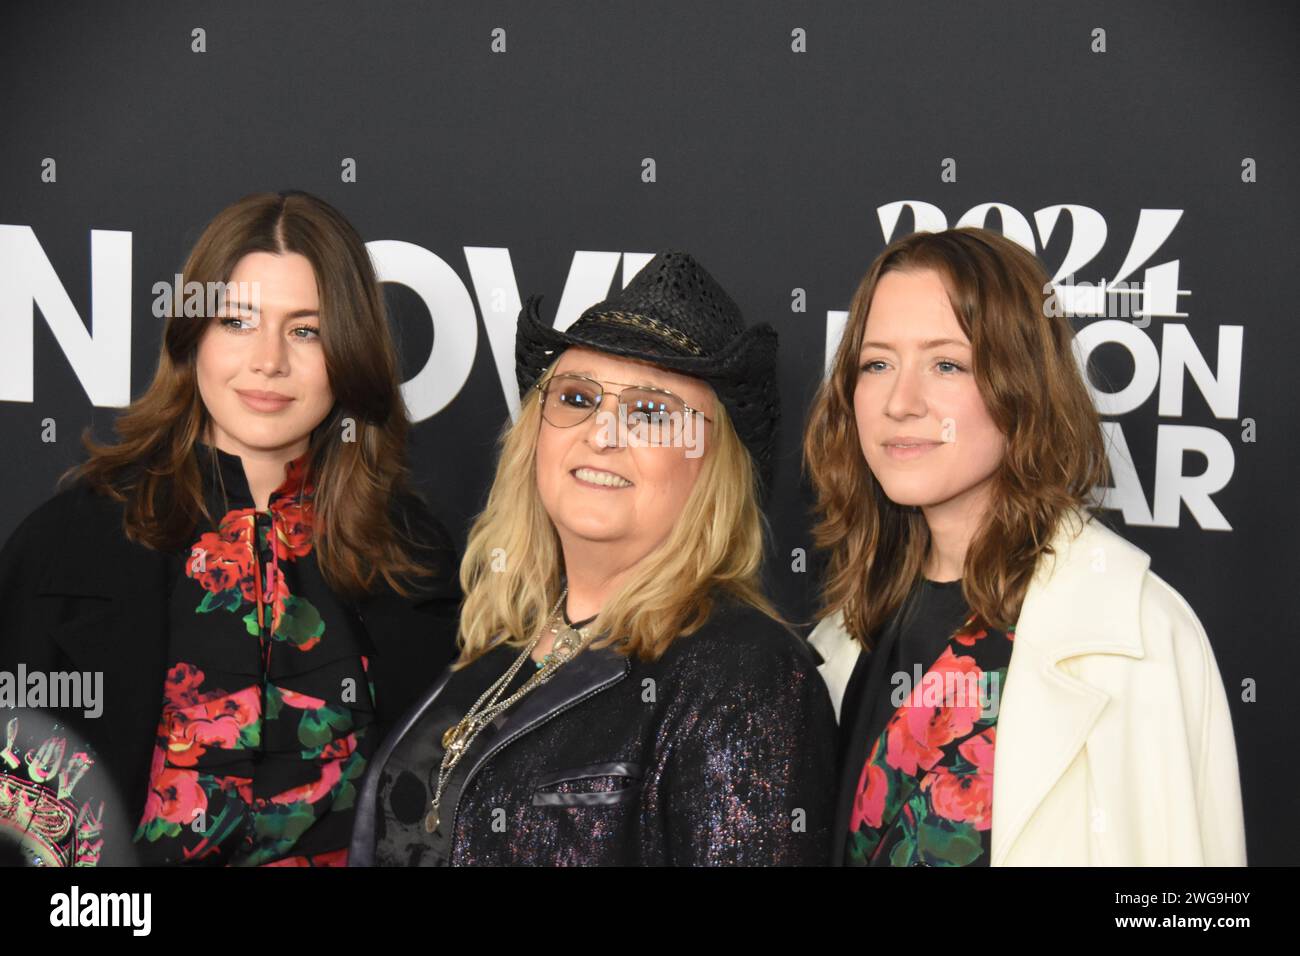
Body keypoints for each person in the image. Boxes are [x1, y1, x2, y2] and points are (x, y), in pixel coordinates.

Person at [0, 191, 460, 866]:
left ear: (351, 350)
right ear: (193, 339)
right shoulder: (69, 544)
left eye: (307, 330)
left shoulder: (412, 556)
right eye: (238, 322)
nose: (269, 360)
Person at [349, 250, 836, 866]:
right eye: (577, 397)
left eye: (652, 411)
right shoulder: (504, 645)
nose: (601, 433)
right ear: (534, 436)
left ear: (714, 468)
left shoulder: (749, 678)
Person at [803, 226, 1246, 866]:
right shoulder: (847, 632)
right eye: (877, 364)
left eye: (946, 364)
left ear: (1021, 386)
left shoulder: (1138, 635)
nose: (901, 402)